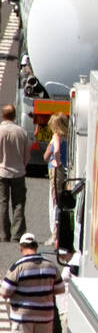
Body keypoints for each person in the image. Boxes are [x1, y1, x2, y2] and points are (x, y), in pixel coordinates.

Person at [0, 103, 29, 242]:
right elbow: (27, 155)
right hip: (18, 172)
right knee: (18, 203)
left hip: (2, 172)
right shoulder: (21, 132)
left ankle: (3, 233)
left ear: (2, 115)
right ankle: (17, 234)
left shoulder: (0, 131)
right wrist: (22, 165)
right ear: (14, 115)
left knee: (2, 202)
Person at [43, 113, 68, 247]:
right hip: (64, 171)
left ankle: (55, 234)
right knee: (60, 200)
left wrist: (56, 161)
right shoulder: (68, 137)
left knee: (54, 201)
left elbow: (53, 152)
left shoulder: (57, 136)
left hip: (55, 171)